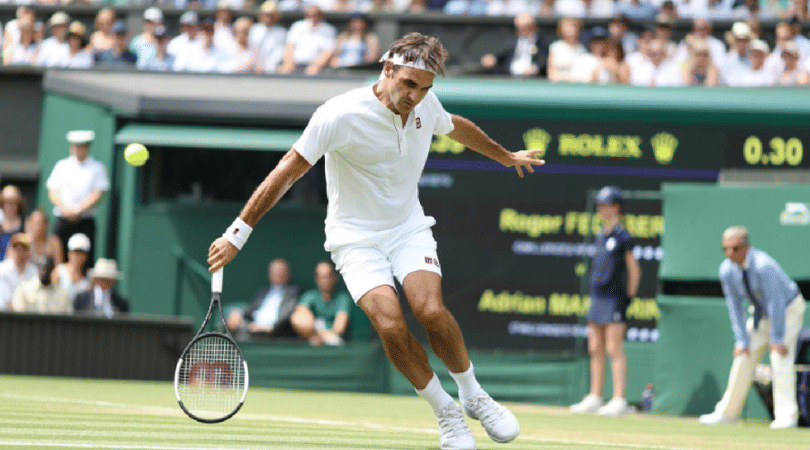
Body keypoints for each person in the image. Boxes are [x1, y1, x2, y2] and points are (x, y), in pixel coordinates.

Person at [207, 32, 542, 450]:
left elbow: (457, 128)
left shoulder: (425, 104)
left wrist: (505, 156)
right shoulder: (338, 115)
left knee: (430, 309)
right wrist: (237, 233)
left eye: (425, 88)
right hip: (354, 239)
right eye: (409, 84)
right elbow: (287, 171)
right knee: (390, 323)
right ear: (387, 70)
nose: (416, 95)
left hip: (407, 228)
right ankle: (447, 414)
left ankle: (473, 393)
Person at [700, 226, 806, 429]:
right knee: (742, 356)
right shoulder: (726, 270)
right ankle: (728, 414)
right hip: (760, 314)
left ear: (746, 247)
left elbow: (776, 302)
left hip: (788, 310)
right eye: (726, 249)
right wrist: (741, 340)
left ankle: (787, 417)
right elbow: (735, 307)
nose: (730, 253)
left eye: (735, 248)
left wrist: (776, 338)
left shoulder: (764, 266)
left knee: (780, 357)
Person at [570, 186, 641, 416]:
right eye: (599, 205)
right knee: (594, 348)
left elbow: (634, 270)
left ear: (616, 207)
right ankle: (595, 396)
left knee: (614, 348)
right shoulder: (600, 235)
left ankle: (619, 399)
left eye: (606, 205)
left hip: (615, 298)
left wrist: (628, 298)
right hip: (598, 297)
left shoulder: (623, 236)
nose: (602, 209)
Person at [46, 130, 110, 266]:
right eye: (75, 146)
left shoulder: (97, 167)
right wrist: (66, 210)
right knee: (57, 260)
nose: (78, 149)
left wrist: (78, 210)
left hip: (84, 222)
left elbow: (97, 194)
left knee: (84, 263)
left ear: (88, 147)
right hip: (63, 222)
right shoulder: (61, 166)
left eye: (82, 146)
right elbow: (53, 192)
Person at [226, 258, 300, 339]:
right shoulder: (263, 291)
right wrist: (238, 313)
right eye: (274, 272)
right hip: (252, 327)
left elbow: (286, 316)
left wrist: (268, 327)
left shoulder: (293, 291)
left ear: (287, 274)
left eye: (280, 272)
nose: (277, 274)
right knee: (235, 322)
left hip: (274, 331)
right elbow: (250, 309)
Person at [291, 260, 352, 346]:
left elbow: (339, 328)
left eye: (328, 276)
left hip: (335, 344)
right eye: (321, 277)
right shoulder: (310, 295)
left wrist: (320, 337)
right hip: (311, 341)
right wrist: (313, 333)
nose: (325, 280)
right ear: (316, 279)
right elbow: (299, 319)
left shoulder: (343, 297)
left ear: (335, 277)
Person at [479, 13, 547, 77]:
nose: (522, 30)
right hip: (509, 77)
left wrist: (536, 67)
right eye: (519, 27)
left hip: (531, 78)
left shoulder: (542, 43)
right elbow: (499, 55)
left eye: (526, 27)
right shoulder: (511, 42)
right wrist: (491, 58)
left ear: (534, 27)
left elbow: (543, 59)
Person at [278, 5, 336, 75]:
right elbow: (289, 46)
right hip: (295, 64)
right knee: (283, 70)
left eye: (316, 15)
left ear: (321, 16)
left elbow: (328, 51)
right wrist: (288, 62)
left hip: (316, 66)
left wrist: (316, 65)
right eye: (310, 14)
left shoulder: (328, 30)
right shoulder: (297, 26)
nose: (312, 17)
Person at [0, 233, 39, 311]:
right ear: (10, 249)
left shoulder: (34, 270)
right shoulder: (2, 269)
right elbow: (5, 300)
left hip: (27, 315)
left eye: (24, 248)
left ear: (29, 251)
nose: (20, 252)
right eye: (17, 248)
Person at [51, 233, 91, 303]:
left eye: (81, 253)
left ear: (86, 256)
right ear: (69, 253)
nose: (77, 256)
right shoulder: (58, 272)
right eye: (75, 252)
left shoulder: (88, 279)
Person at [250, 1, 287, 73]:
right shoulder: (254, 29)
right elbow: (251, 49)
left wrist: (270, 66)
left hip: (273, 70)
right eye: (266, 15)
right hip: (253, 68)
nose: (268, 17)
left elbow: (279, 53)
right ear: (260, 15)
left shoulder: (281, 32)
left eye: (271, 15)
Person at [547, 17, 586, 82]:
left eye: (574, 26)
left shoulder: (583, 49)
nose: (571, 30)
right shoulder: (555, 47)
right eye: (567, 27)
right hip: (558, 85)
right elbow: (551, 73)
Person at [0, 185, 26, 260]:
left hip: (16, 265)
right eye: (7, 202)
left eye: (14, 202)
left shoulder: (25, 222)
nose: (11, 205)